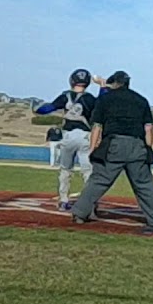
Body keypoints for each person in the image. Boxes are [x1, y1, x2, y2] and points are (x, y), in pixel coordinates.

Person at [70, 70, 153, 234]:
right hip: (137, 145)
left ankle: (80, 213)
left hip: (114, 144)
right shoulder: (141, 100)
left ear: (114, 83)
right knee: (144, 184)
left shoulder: (106, 99)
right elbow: (148, 128)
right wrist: (148, 148)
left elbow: (97, 127)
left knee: (99, 180)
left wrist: (93, 148)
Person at [34, 69, 98, 210]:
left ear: (72, 80)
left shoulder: (66, 96)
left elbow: (47, 108)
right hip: (85, 136)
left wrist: (36, 108)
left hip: (68, 136)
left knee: (65, 170)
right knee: (87, 171)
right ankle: (90, 202)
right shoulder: (90, 99)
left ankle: (63, 200)